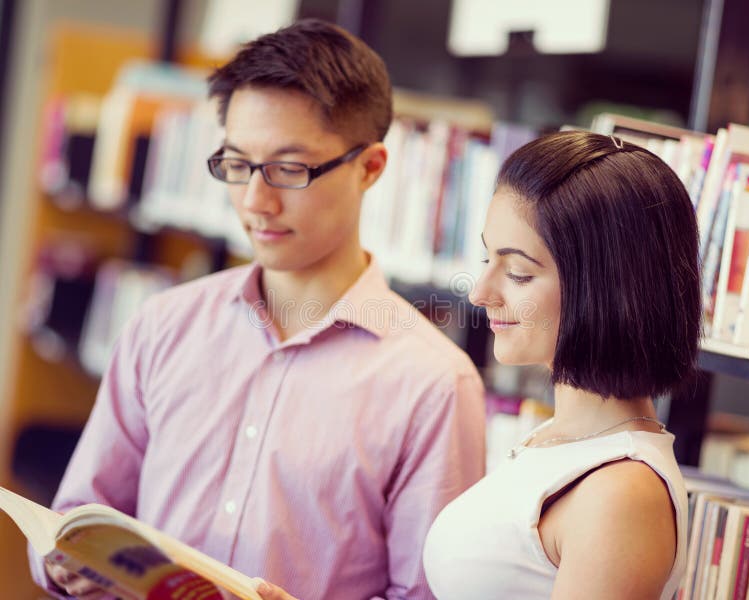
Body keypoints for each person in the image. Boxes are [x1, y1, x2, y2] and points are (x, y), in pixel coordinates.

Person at [31, 19, 486, 600]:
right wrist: (63, 563)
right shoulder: (163, 325)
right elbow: (78, 513)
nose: (254, 201)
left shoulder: (434, 385)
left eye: (290, 169)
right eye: (238, 164)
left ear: (371, 168)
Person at [421, 131, 701, 600]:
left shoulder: (621, 491)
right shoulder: (559, 440)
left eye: (518, 273)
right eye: (488, 257)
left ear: (608, 287)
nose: (479, 292)